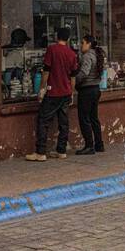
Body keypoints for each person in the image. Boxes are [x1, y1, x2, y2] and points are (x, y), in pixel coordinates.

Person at [27, 27, 78, 162]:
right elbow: (73, 77)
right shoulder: (72, 54)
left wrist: (42, 88)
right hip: (66, 92)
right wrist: (72, 92)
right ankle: (61, 151)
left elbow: (46, 71)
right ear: (68, 39)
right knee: (64, 122)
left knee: (43, 120)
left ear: (57, 37)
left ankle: (41, 152)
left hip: (53, 91)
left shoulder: (52, 50)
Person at [74, 34, 105, 156]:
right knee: (93, 118)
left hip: (86, 90)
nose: (81, 45)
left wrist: (73, 81)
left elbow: (84, 73)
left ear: (89, 44)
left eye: (83, 43)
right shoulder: (97, 55)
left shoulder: (87, 56)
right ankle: (99, 144)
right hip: (95, 89)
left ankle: (89, 146)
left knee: (84, 118)